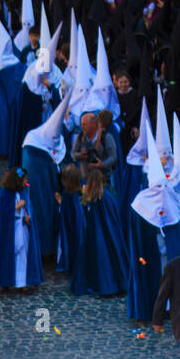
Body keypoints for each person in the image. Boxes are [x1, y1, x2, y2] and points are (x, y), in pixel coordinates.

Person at [0, 167, 44, 293]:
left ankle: (22, 283)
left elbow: (28, 209)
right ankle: (5, 281)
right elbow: (0, 214)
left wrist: (27, 218)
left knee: (22, 255)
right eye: (24, 179)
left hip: (22, 228)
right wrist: (15, 207)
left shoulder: (24, 192)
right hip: (9, 230)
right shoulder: (4, 194)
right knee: (7, 254)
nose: (26, 182)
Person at [71, 169, 129, 297]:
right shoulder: (107, 196)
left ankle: (106, 286)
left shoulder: (98, 198)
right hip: (110, 235)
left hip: (97, 237)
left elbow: (91, 218)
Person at [71, 109, 117, 184]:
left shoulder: (107, 137)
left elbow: (113, 157)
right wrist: (79, 155)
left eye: (84, 124)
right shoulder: (80, 137)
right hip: (85, 182)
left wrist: (102, 164)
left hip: (103, 181)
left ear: (93, 124)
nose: (82, 127)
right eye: (81, 124)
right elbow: (73, 154)